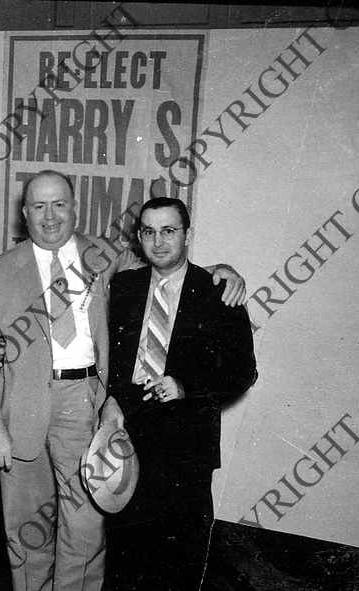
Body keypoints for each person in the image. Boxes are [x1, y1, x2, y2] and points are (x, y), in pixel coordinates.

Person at [0, 170, 246, 591]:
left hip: (86, 407)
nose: (51, 216)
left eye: (60, 204)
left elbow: (168, 269)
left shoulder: (104, 256)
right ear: (24, 214)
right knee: (26, 532)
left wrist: (223, 272)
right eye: (38, 206)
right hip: (19, 409)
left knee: (85, 530)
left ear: (75, 208)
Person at [104, 197, 258, 590]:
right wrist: (112, 403)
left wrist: (187, 387)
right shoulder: (124, 286)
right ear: (138, 237)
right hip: (130, 430)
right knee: (126, 547)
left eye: (168, 231)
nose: (158, 241)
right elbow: (113, 359)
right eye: (149, 232)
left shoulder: (218, 290)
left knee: (180, 554)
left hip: (187, 438)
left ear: (187, 235)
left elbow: (243, 372)